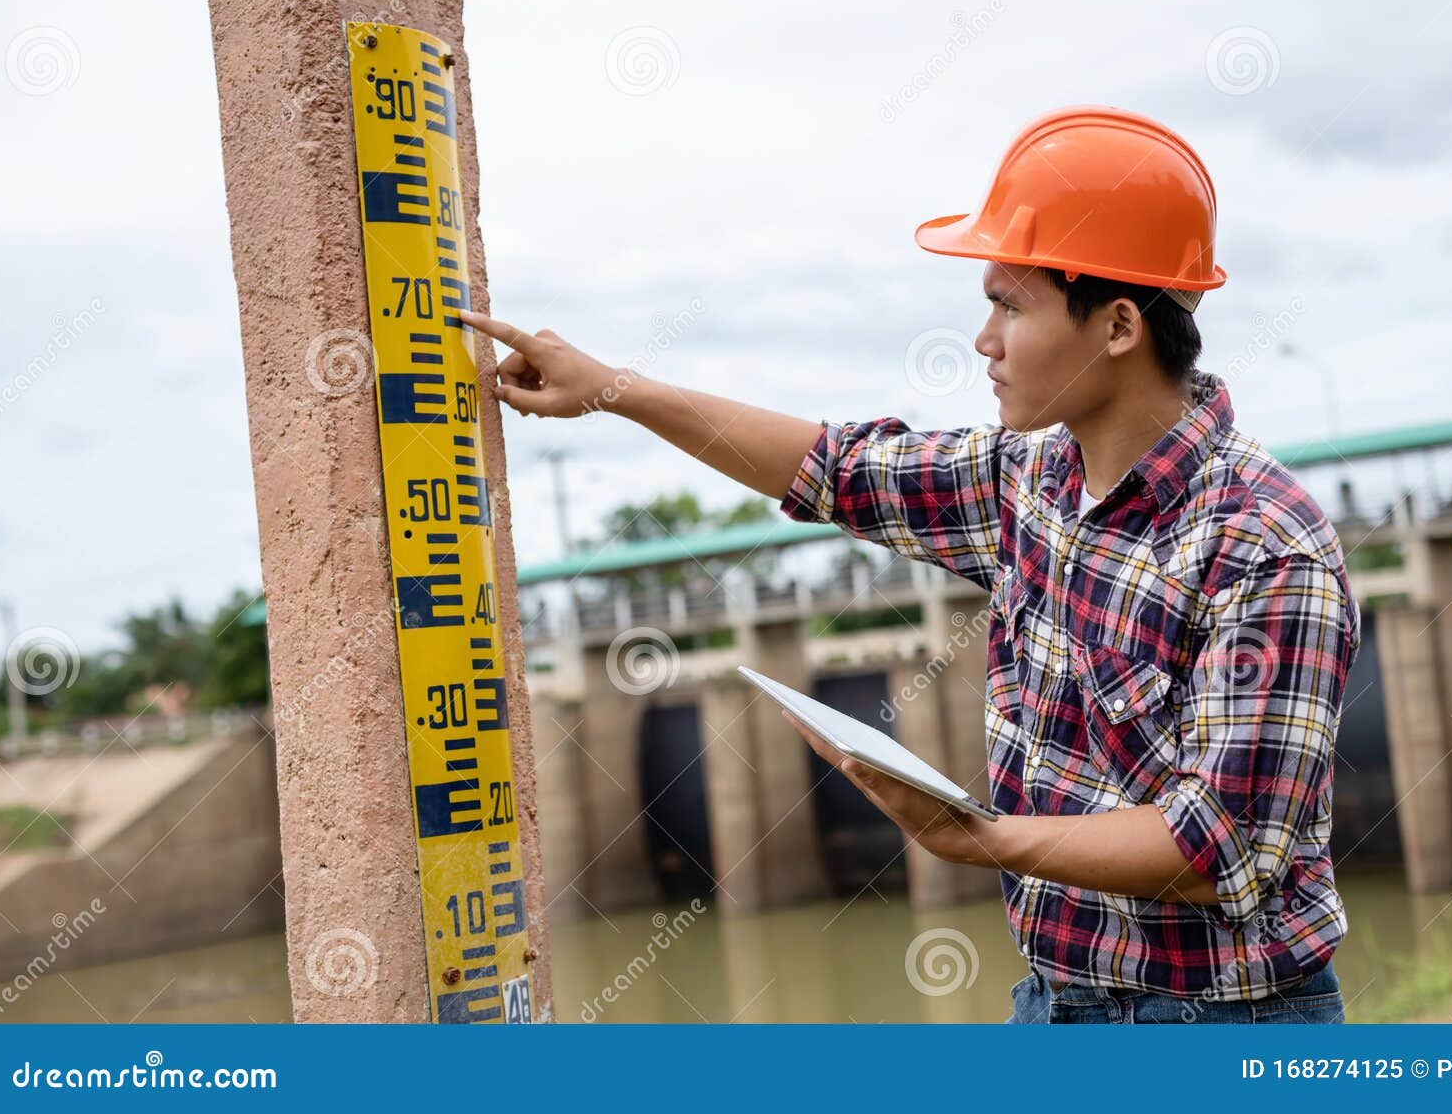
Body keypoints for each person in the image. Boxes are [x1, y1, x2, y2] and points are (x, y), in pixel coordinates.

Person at [458, 105, 1359, 1025]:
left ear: (1119, 324)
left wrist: (984, 841)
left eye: (1010, 304)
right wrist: (614, 388)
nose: (985, 340)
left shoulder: (1261, 542)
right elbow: (834, 469)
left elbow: (1224, 847)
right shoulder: (1028, 481)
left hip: (1222, 1024)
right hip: (1055, 1004)